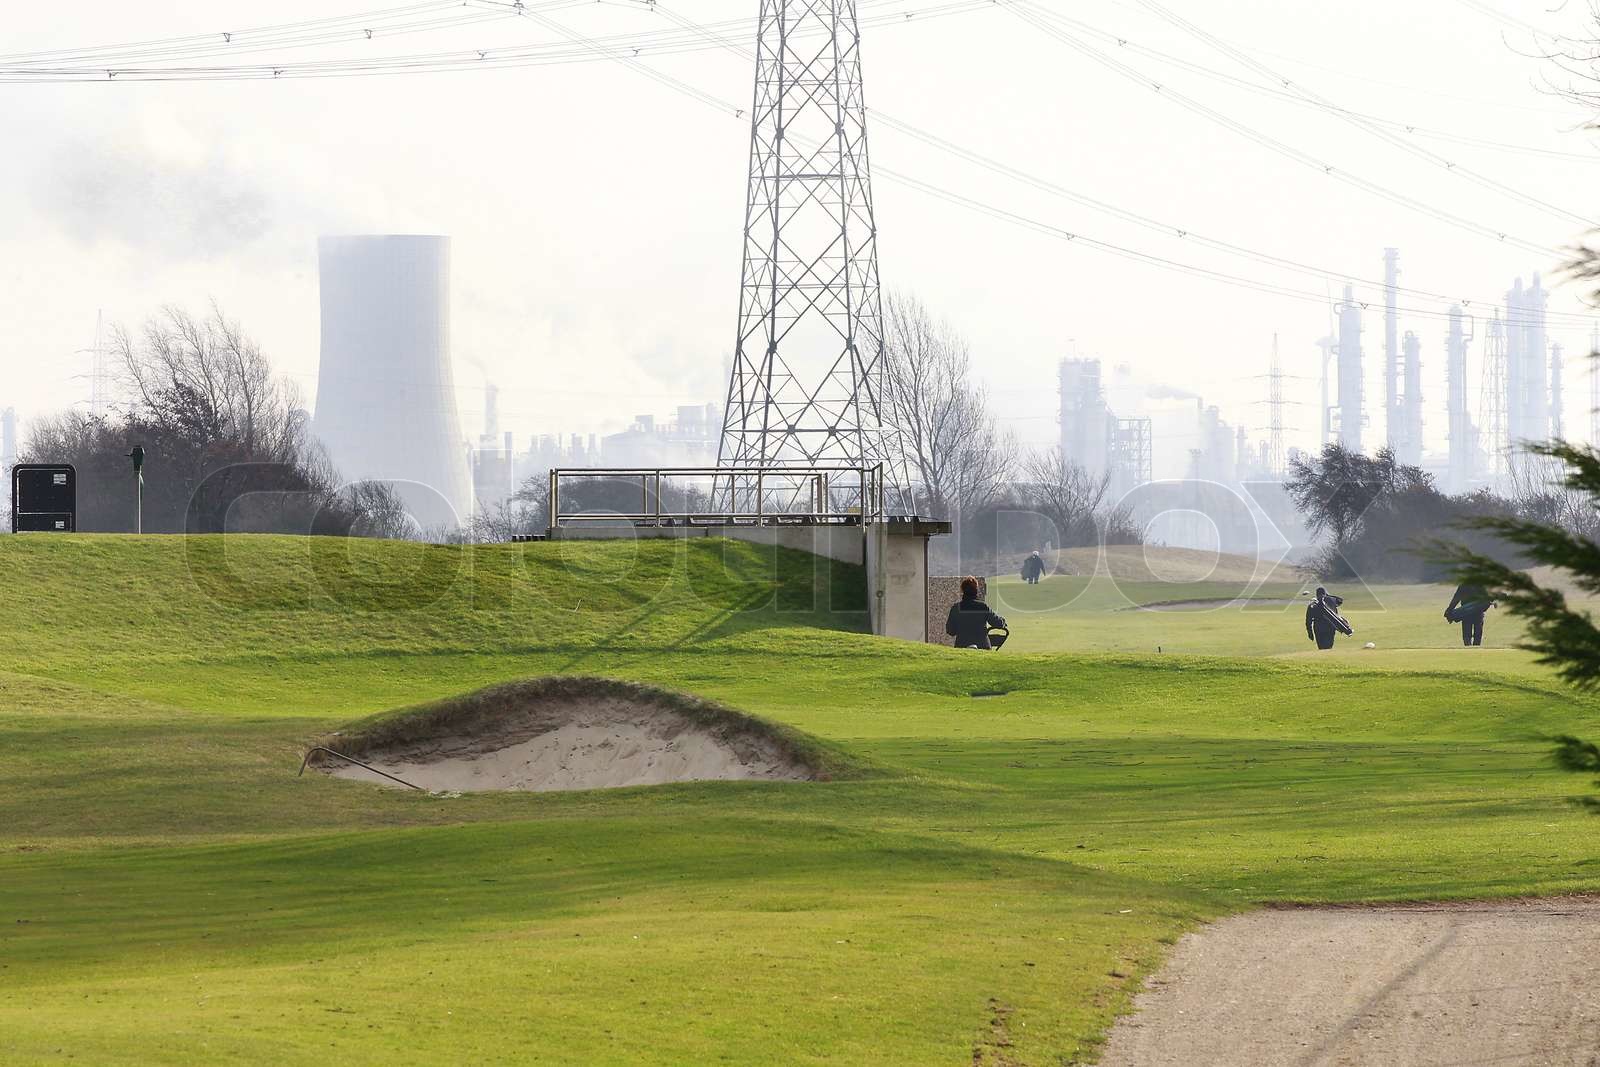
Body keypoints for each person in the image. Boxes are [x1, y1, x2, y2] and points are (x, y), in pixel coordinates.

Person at [947, 576, 1006, 649]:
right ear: (976, 590)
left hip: (961, 646)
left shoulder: (956, 608)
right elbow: (997, 623)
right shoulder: (982, 606)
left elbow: (950, 631)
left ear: (962, 590)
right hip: (983, 646)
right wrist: (1003, 621)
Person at [1445, 582, 1493, 647]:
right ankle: (1475, 651)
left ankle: (1468, 650)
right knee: (1477, 635)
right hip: (1478, 613)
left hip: (1466, 614)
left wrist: (1449, 611)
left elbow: (1456, 598)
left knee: (1467, 636)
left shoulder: (1463, 585)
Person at [1304, 586, 1351, 651]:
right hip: (1331, 626)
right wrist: (1328, 595)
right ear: (1325, 593)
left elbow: (1308, 621)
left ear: (1316, 594)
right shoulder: (1332, 600)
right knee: (1329, 647)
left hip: (1318, 628)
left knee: (1321, 648)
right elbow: (1340, 600)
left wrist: (1310, 633)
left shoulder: (1312, 605)